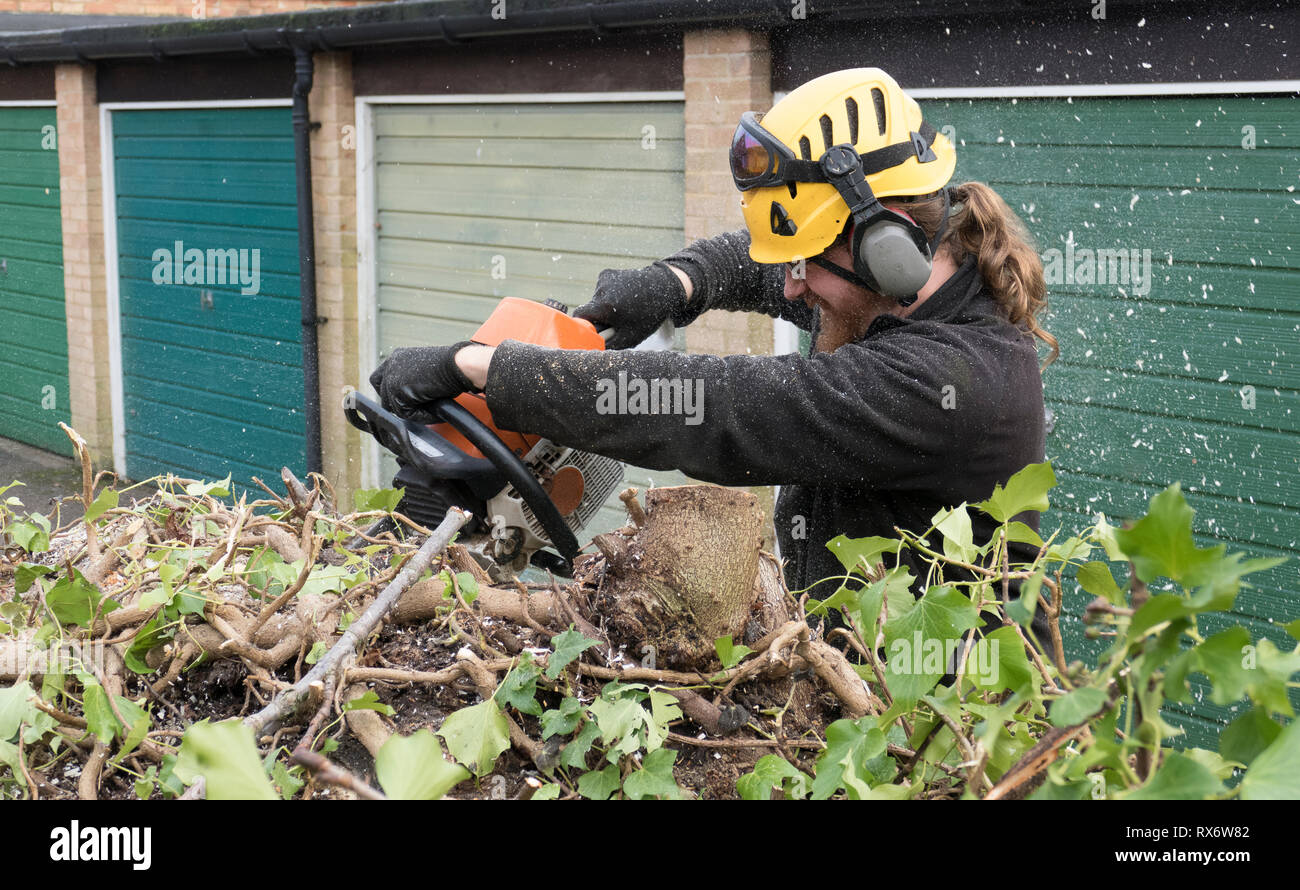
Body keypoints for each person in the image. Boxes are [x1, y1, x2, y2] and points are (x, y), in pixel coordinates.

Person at [369, 68, 1058, 633]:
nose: (789, 289)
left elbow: (711, 405)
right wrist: (675, 284)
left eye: (803, 263)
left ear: (887, 244)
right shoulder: (908, 282)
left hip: (915, 741)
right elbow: (772, 266)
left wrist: (479, 367)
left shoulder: (952, 383)